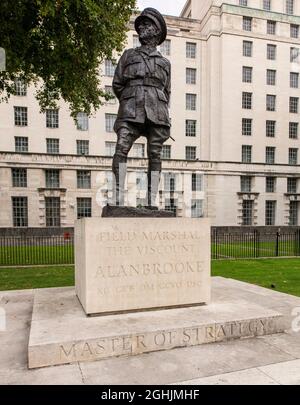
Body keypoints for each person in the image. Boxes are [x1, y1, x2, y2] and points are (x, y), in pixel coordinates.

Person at [112, 7, 171, 207]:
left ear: (156, 31)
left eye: (146, 24)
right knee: (121, 148)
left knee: (155, 154)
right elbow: (117, 84)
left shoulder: (165, 63)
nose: (141, 28)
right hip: (131, 108)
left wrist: (158, 106)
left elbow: (167, 91)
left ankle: (151, 201)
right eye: (141, 25)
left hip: (157, 112)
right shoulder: (128, 55)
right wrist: (132, 98)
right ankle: (118, 198)